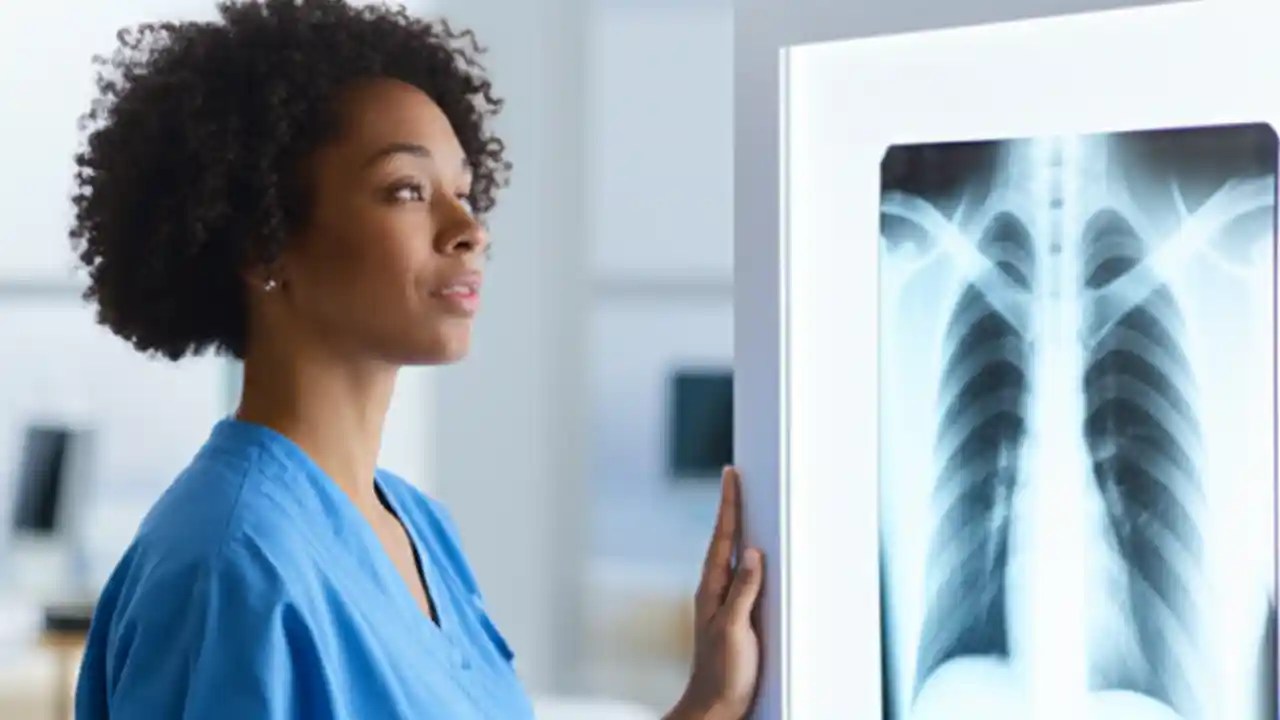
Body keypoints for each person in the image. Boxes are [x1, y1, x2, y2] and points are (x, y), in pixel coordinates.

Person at [67, 1, 764, 718]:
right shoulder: (230, 568)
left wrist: (708, 698)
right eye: (407, 190)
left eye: (463, 193)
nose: (469, 231)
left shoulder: (417, 526)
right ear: (262, 244)